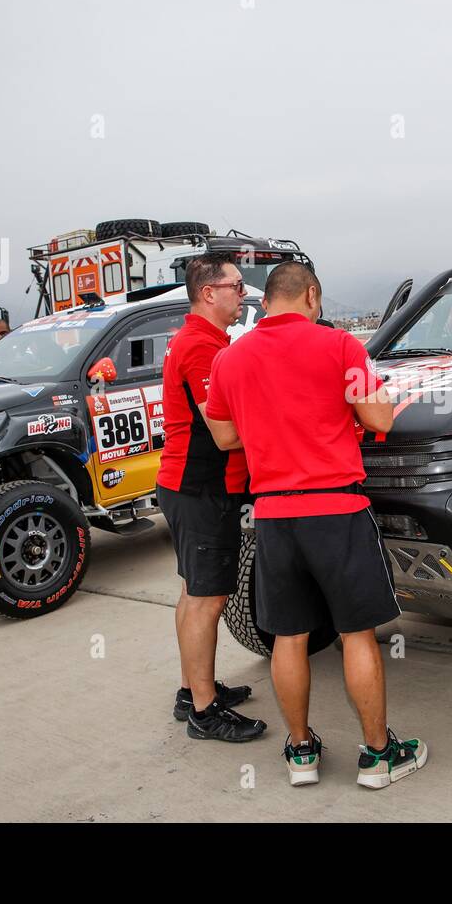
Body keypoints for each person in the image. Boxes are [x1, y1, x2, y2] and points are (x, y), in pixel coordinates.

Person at [205, 261, 428, 790]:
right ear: (311, 296)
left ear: (267, 300)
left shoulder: (231, 359)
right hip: (337, 512)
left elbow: (223, 436)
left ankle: (301, 751)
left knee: (289, 637)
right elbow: (380, 419)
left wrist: (271, 420)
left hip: (274, 517)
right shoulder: (342, 347)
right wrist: (346, 412)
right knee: (357, 636)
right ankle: (379, 756)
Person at [155, 253, 264, 743]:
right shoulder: (201, 345)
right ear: (208, 292)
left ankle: (191, 689)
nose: (244, 295)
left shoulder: (206, 339)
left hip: (188, 485)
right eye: (237, 287)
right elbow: (223, 432)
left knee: (192, 593)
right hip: (202, 487)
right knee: (208, 598)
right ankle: (204, 710)